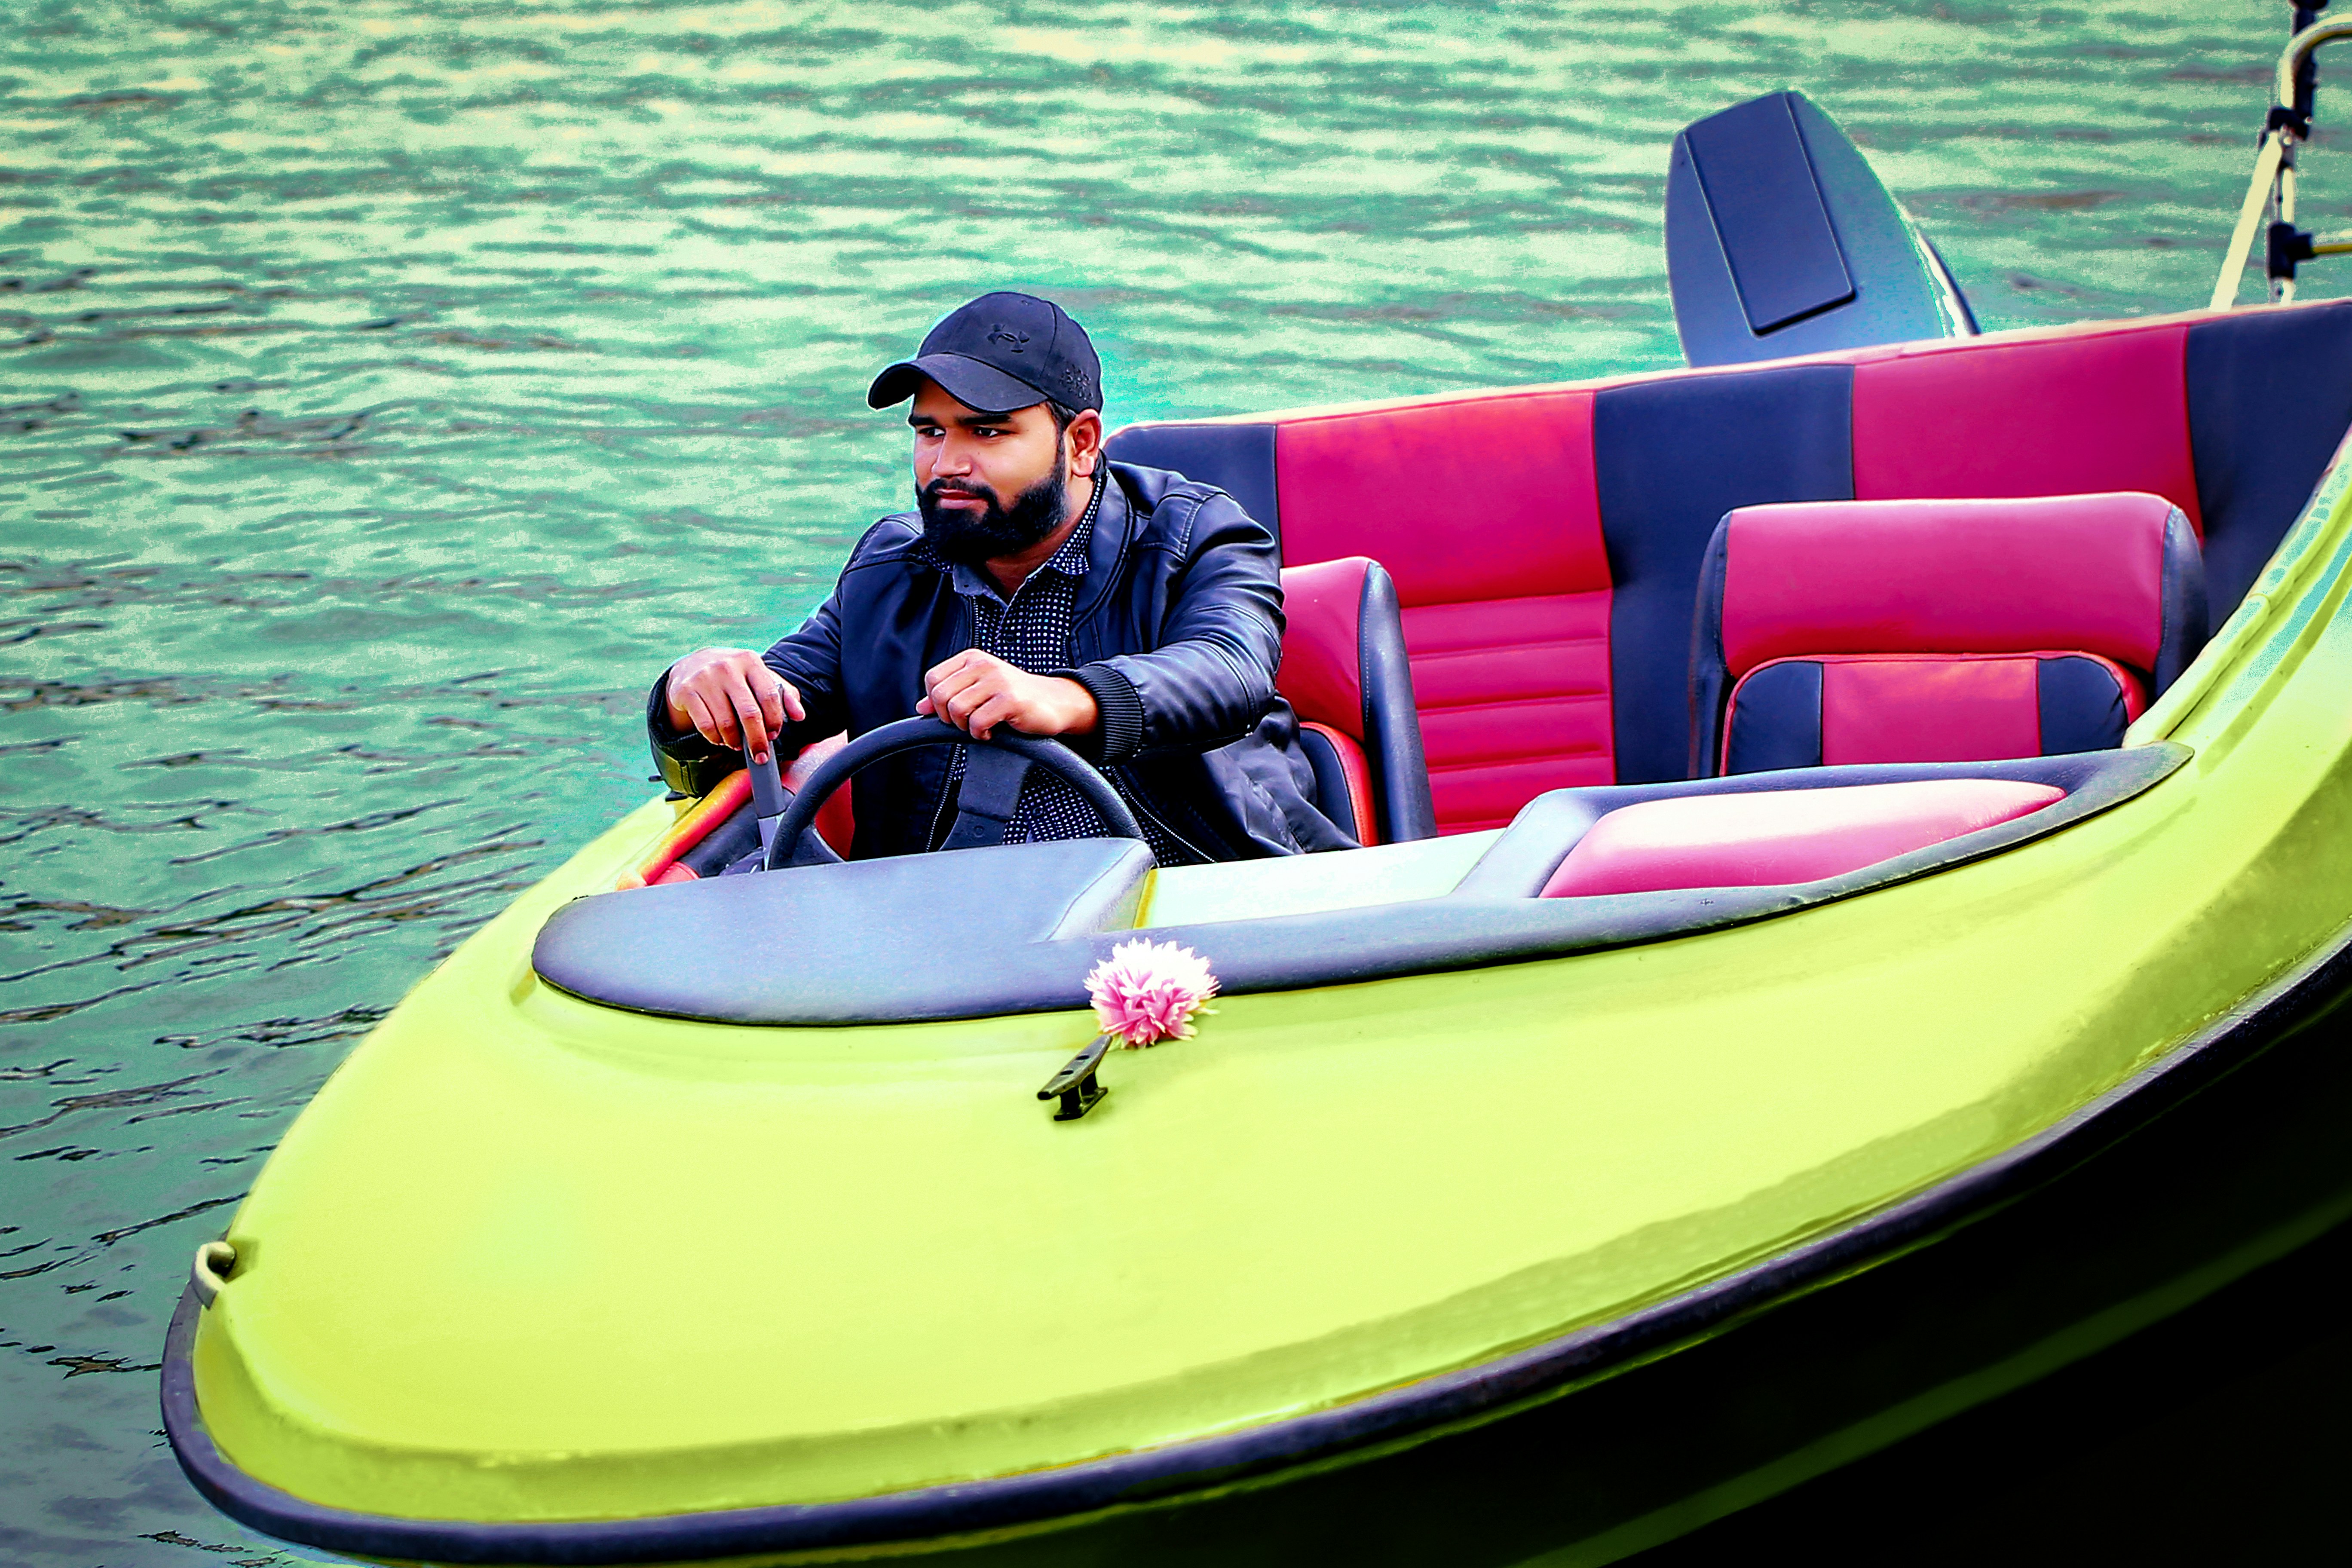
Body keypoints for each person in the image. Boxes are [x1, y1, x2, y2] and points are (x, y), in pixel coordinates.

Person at [646, 290, 1351, 864]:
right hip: (953, 938)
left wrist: (1068, 699)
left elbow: (1227, 671)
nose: (947, 463)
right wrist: (692, 694)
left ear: (1080, 444)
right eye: (930, 432)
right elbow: (770, 708)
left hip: (1194, 902)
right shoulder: (891, 570)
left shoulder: (1192, 534)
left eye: (987, 433)